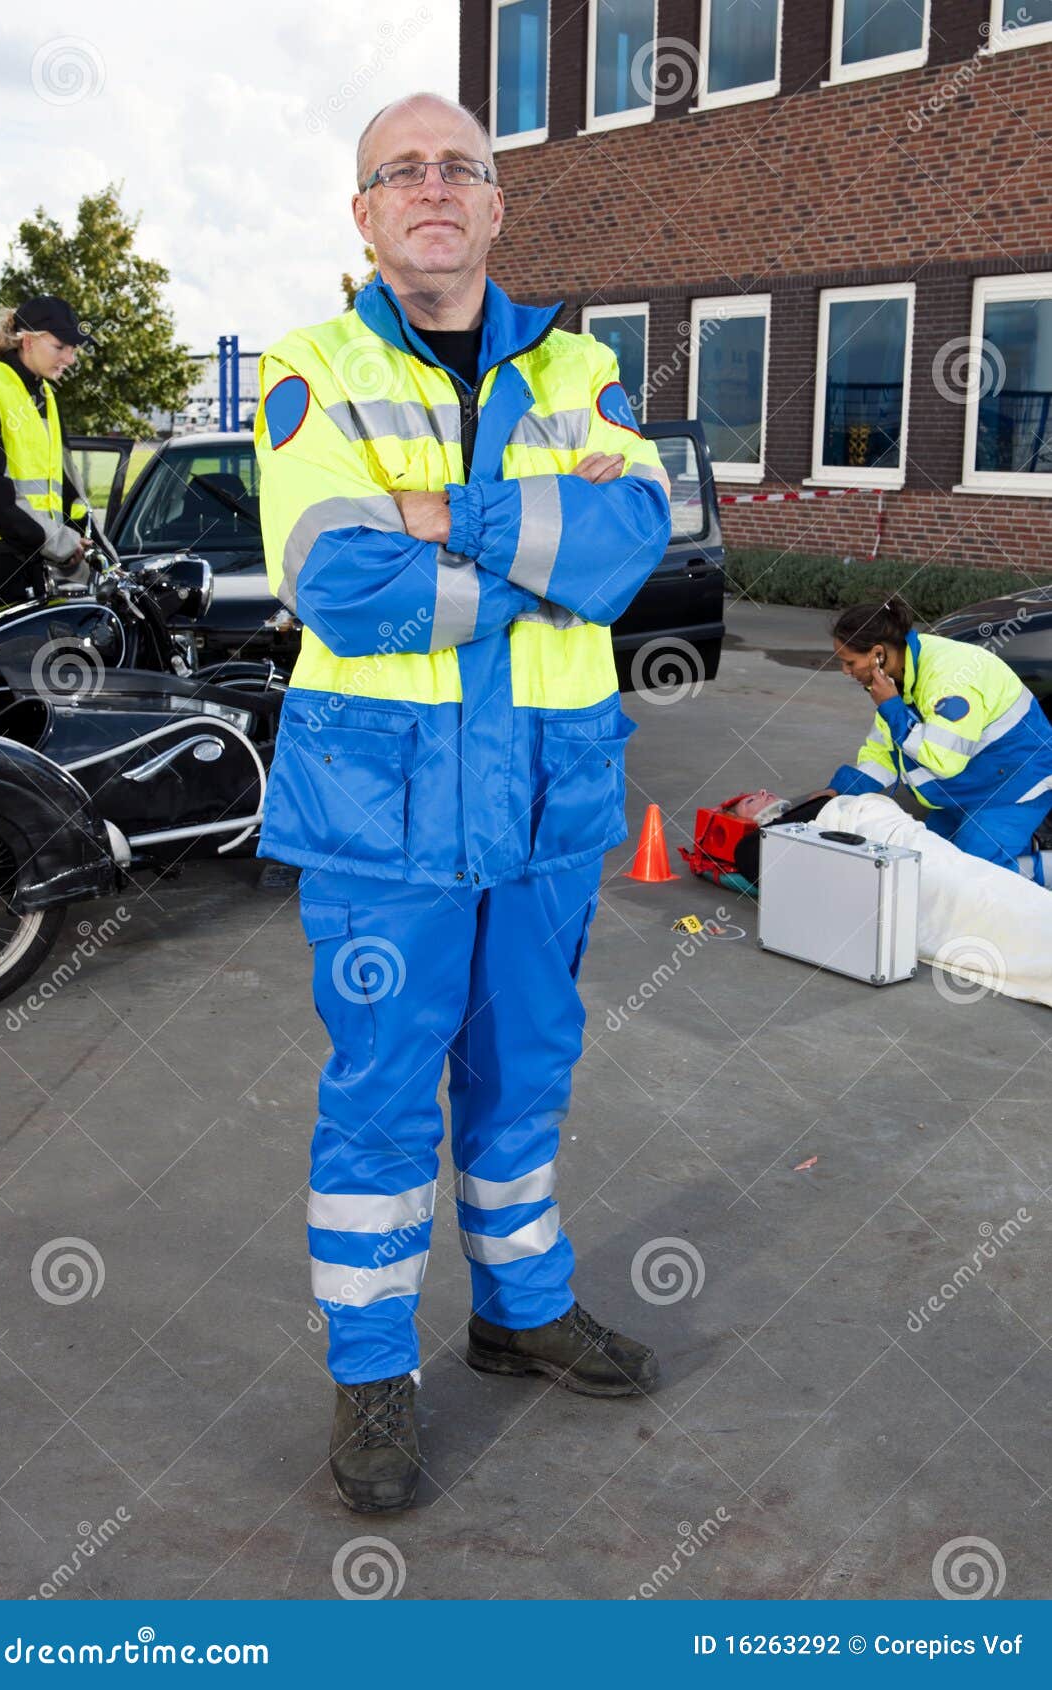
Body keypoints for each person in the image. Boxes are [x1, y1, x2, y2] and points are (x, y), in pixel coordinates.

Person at [255, 92, 672, 1514]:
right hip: (387, 818)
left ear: (497, 205)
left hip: (545, 810)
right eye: (399, 170)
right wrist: (536, 542)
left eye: (460, 167)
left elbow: (630, 545)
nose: (432, 187)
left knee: (526, 1074)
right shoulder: (306, 367)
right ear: (364, 214)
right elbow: (341, 586)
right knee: (379, 1097)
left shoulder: (581, 365)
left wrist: (444, 513)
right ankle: (373, 1366)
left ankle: (518, 1308)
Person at [827, 596, 1052, 875]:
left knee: (974, 876)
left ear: (877, 654)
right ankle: (1014, 850)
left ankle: (1036, 871)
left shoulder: (948, 679)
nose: (845, 671)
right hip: (973, 783)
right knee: (927, 865)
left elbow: (943, 760)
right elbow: (883, 752)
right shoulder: (897, 680)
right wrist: (839, 791)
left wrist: (893, 709)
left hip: (1018, 781)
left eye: (849, 662)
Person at [0, 296, 96, 611]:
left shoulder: (45, 393)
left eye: (74, 349)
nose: (70, 358)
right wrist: (60, 542)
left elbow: (64, 483)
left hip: (33, 558)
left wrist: (90, 541)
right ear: (29, 340)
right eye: (61, 347)